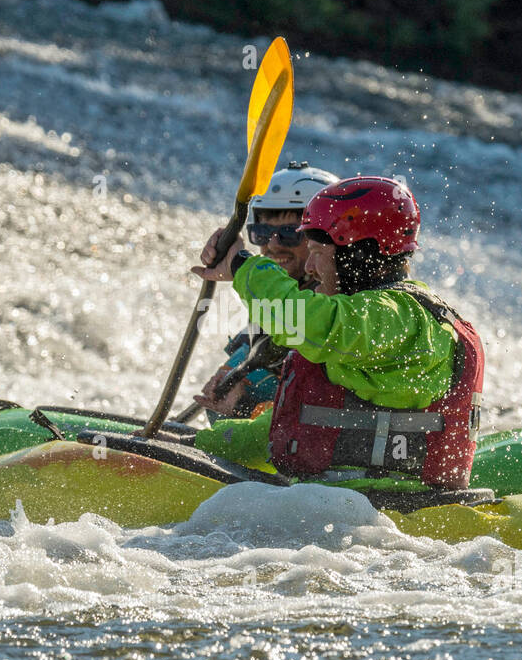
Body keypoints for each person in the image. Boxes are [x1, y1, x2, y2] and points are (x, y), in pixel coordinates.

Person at [188, 176, 485, 488]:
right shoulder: (367, 325)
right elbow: (292, 427)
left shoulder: (396, 317)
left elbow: (304, 319)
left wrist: (240, 265)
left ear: (357, 256)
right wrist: (201, 444)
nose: (309, 268)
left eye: (317, 251)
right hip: (345, 508)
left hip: (381, 516)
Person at [192, 162, 339, 421]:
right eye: (261, 233)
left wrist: (244, 411)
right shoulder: (273, 301)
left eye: (290, 234)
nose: (273, 245)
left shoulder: (335, 301)